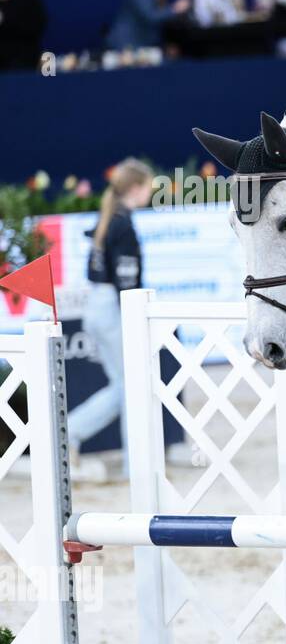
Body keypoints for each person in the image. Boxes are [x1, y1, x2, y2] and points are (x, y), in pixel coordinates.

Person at [66, 159, 151, 481]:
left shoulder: (109, 218)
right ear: (135, 188)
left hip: (97, 305)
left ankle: (69, 433)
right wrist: (136, 317)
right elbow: (126, 281)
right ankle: (134, 464)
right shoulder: (123, 224)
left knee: (124, 385)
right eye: (147, 187)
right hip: (113, 309)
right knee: (131, 386)